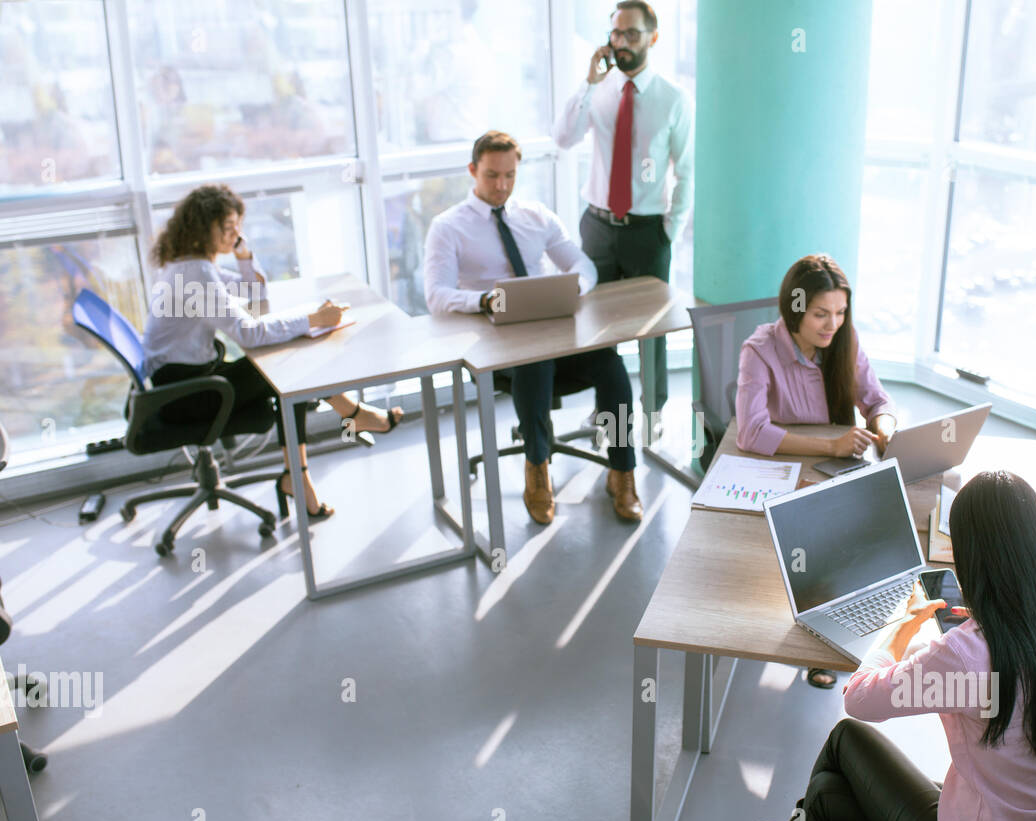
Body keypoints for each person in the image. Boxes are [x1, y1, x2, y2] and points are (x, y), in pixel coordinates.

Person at [752, 470, 1036, 821]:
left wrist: (905, 623)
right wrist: (1000, 617)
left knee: (844, 739)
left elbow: (859, 698)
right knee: (827, 795)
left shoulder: (966, 654)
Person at [143, 184, 403, 520]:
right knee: (289, 367)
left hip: (183, 383)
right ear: (202, 228)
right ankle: (340, 430)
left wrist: (243, 255)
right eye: (227, 227)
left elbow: (255, 292)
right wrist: (313, 319)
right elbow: (249, 334)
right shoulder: (196, 272)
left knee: (288, 361)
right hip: (187, 393)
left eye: (237, 226)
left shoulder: (190, 264)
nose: (235, 234)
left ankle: (314, 458)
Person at [423, 131, 643, 524]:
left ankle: (622, 471)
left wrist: (575, 287)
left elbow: (583, 266)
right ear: (472, 170)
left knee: (611, 365)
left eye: (509, 175)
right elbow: (436, 296)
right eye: (492, 175)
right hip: (497, 345)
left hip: (551, 334)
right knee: (534, 363)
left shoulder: (536, 216)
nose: (501, 186)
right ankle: (537, 469)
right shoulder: (448, 227)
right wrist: (484, 300)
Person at [736, 253, 898, 688]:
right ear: (795, 309)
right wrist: (830, 445)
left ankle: (851, 628)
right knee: (820, 535)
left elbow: (877, 401)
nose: (833, 325)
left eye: (840, 313)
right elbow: (751, 432)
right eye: (821, 314)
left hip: (836, 467)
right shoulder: (759, 351)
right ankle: (820, 643)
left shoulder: (844, 341)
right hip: (784, 468)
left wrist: (884, 429)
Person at [553, 0, 693, 435]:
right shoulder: (599, 90)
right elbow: (563, 138)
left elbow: (687, 170)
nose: (623, 42)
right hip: (597, 226)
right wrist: (588, 82)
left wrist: (670, 231)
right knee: (598, 325)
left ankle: (652, 412)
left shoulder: (673, 98)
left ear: (653, 37)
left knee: (652, 329)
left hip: (647, 232)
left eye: (632, 34)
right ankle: (607, 411)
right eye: (616, 33)